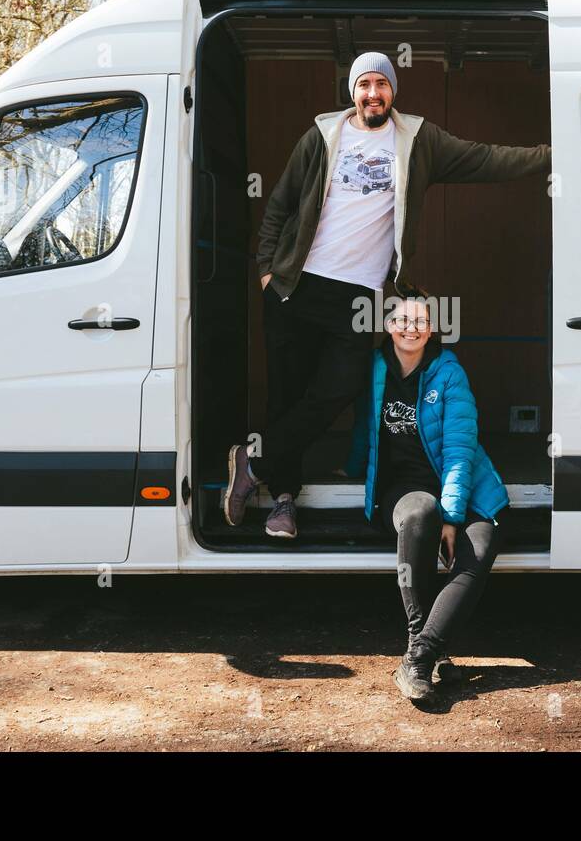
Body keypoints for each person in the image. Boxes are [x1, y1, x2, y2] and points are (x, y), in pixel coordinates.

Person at [224, 51, 550, 538]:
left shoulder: (417, 141)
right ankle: (283, 501)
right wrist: (267, 271)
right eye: (364, 84)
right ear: (352, 91)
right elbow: (280, 204)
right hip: (298, 285)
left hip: (358, 296)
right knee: (288, 395)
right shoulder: (322, 135)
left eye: (382, 83)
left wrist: (551, 154)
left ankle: (253, 460)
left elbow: (485, 157)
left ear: (392, 91)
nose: (373, 93)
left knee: (341, 385)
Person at [351, 292, 509, 702]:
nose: (411, 327)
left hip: (461, 485)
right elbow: (365, 429)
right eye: (402, 320)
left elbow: (459, 451)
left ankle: (418, 657)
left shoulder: (448, 372)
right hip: (406, 486)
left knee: (483, 545)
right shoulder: (375, 369)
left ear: (431, 329)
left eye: (420, 321)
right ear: (388, 326)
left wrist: (453, 518)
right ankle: (423, 643)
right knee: (420, 513)